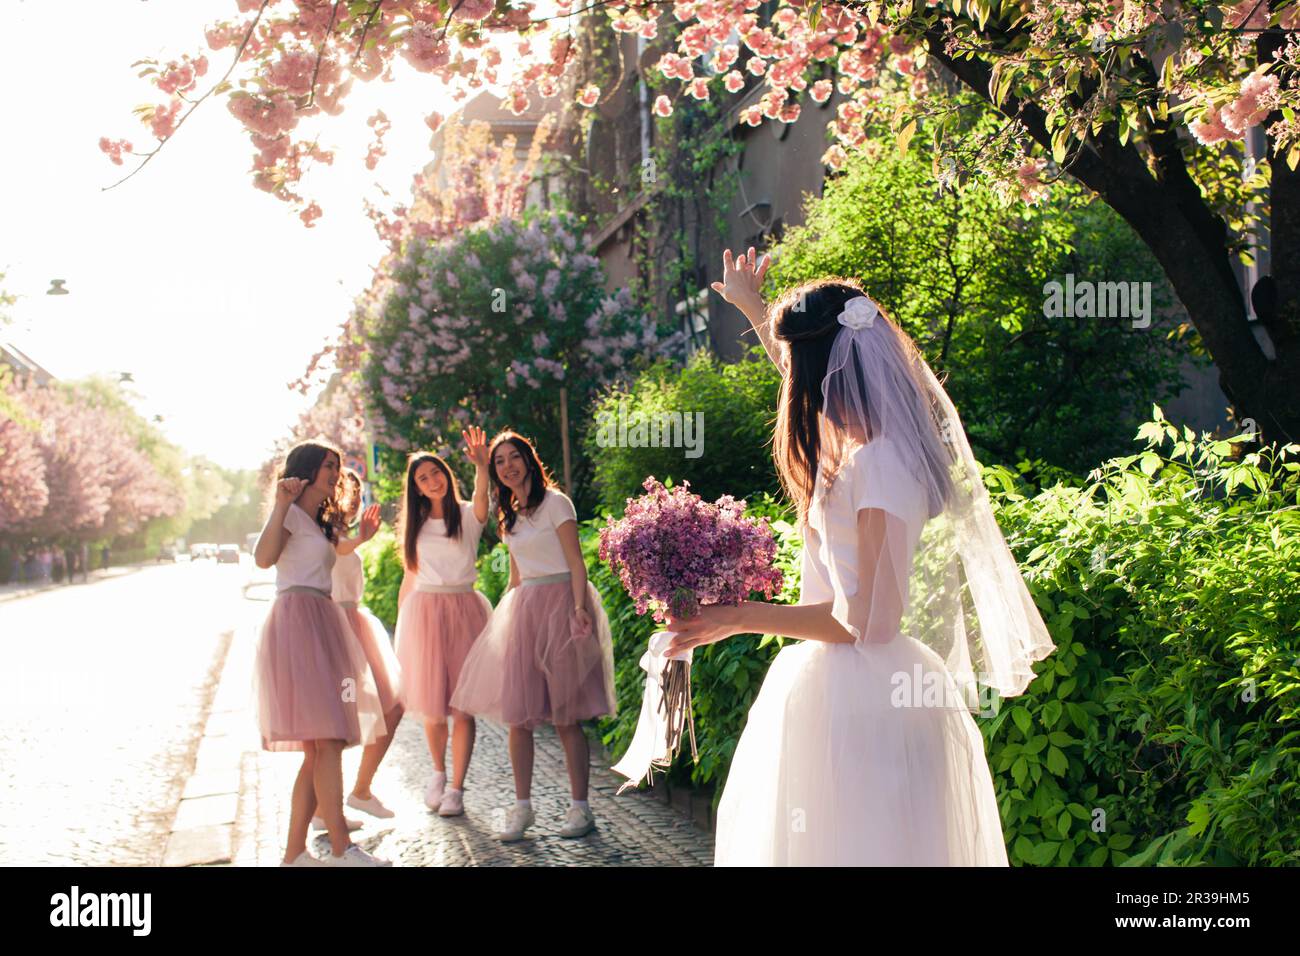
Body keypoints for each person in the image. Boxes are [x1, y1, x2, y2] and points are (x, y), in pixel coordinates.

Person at [664, 248, 1056, 865]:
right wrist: (755, 309)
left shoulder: (877, 466)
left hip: (865, 706)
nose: (789, 380)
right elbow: (808, 372)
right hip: (858, 694)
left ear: (821, 370)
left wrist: (735, 616)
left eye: (795, 363)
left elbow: (864, 621)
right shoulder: (867, 448)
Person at [451, 431, 616, 842]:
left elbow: (577, 563)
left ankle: (581, 809)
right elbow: (516, 575)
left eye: (514, 457)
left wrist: (579, 609)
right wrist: (502, 623)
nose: (508, 466)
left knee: (566, 716)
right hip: (525, 610)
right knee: (518, 717)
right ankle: (522, 808)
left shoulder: (556, 504)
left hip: (562, 604)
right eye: (500, 461)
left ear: (529, 458)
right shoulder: (509, 514)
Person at [251, 439, 389, 867]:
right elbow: (262, 558)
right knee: (326, 738)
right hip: (296, 624)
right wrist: (279, 503)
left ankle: (294, 854)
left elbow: (333, 551)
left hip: (324, 621)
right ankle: (343, 848)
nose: (335, 472)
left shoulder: (321, 523)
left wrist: (361, 539)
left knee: (320, 746)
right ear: (308, 469)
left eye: (337, 466)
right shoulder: (290, 514)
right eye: (330, 465)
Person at [394, 427, 493, 817]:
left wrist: (483, 467)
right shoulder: (414, 527)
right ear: (416, 488)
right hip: (424, 614)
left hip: (464, 610)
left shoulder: (467, 515)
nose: (432, 481)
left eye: (436, 473)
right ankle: (437, 773)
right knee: (432, 708)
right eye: (423, 478)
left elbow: (483, 502)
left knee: (463, 708)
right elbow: (410, 576)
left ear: (447, 475)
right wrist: (402, 629)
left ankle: (456, 789)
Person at [314, 467, 404, 826]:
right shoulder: (321, 531)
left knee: (390, 707)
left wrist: (359, 538)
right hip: (335, 631)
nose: (351, 498)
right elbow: (336, 551)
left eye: (354, 492)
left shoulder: (342, 532)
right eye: (343, 490)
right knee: (341, 718)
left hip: (358, 626)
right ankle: (325, 811)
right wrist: (361, 540)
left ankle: (360, 790)